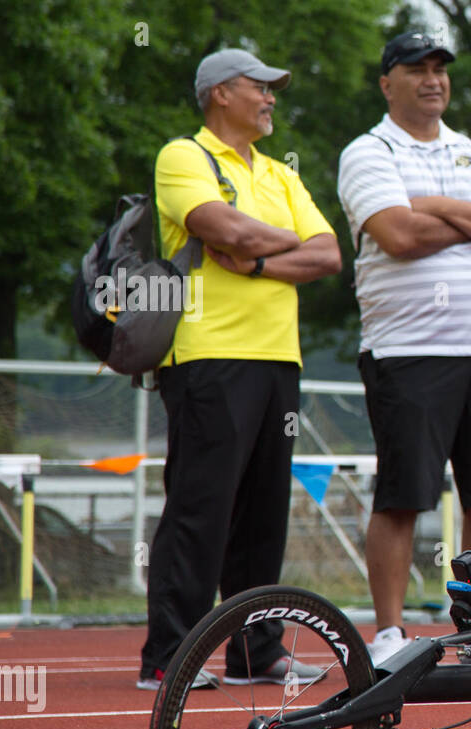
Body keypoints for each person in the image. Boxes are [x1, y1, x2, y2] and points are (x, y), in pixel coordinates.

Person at [139, 49, 343, 689]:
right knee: (202, 507)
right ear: (221, 92)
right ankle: (169, 655)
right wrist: (273, 242)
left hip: (279, 356)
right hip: (208, 355)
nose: (272, 98)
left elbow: (330, 253)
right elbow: (219, 226)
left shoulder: (282, 172)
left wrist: (253, 260)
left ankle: (258, 652)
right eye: (261, 87)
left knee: (263, 514)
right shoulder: (183, 156)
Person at [337, 32, 471, 662]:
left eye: (440, 69)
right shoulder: (367, 152)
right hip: (407, 351)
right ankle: (390, 632)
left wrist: (439, 207)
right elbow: (396, 234)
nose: (432, 79)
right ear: (385, 81)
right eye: (415, 68)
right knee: (402, 497)